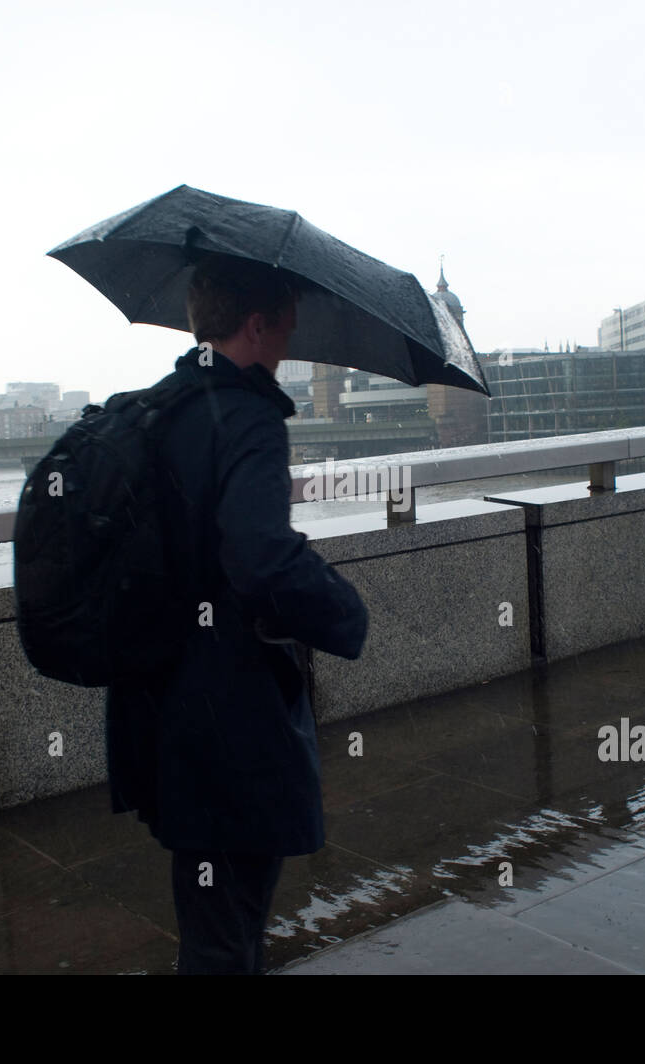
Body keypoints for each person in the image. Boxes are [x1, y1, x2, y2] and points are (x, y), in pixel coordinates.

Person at [104, 252, 369, 975]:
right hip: (227, 718)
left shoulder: (159, 406)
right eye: (285, 325)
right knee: (228, 934)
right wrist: (346, 613)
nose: (289, 343)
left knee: (211, 918)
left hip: (156, 708)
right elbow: (258, 556)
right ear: (256, 324)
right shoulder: (247, 416)